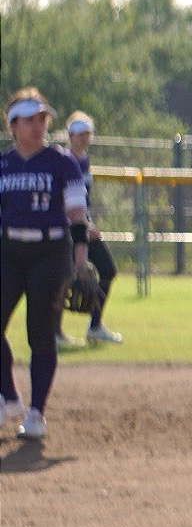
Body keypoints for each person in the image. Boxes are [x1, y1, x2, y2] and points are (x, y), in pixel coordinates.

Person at [0, 89, 93, 440]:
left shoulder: (62, 162)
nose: (38, 126)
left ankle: (36, 413)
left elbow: (76, 213)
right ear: (13, 125)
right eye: (30, 120)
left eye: (42, 119)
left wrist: (81, 259)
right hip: (8, 249)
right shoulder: (3, 165)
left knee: (39, 331)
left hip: (50, 252)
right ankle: (9, 398)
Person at [55, 111, 122, 348]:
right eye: (78, 134)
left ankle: (94, 327)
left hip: (84, 226)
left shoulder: (83, 160)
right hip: (66, 229)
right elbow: (61, 200)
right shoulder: (64, 160)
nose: (83, 139)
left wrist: (89, 222)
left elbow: (83, 201)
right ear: (70, 135)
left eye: (87, 134)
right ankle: (55, 332)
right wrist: (83, 223)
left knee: (107, 270)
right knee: (64, 278)